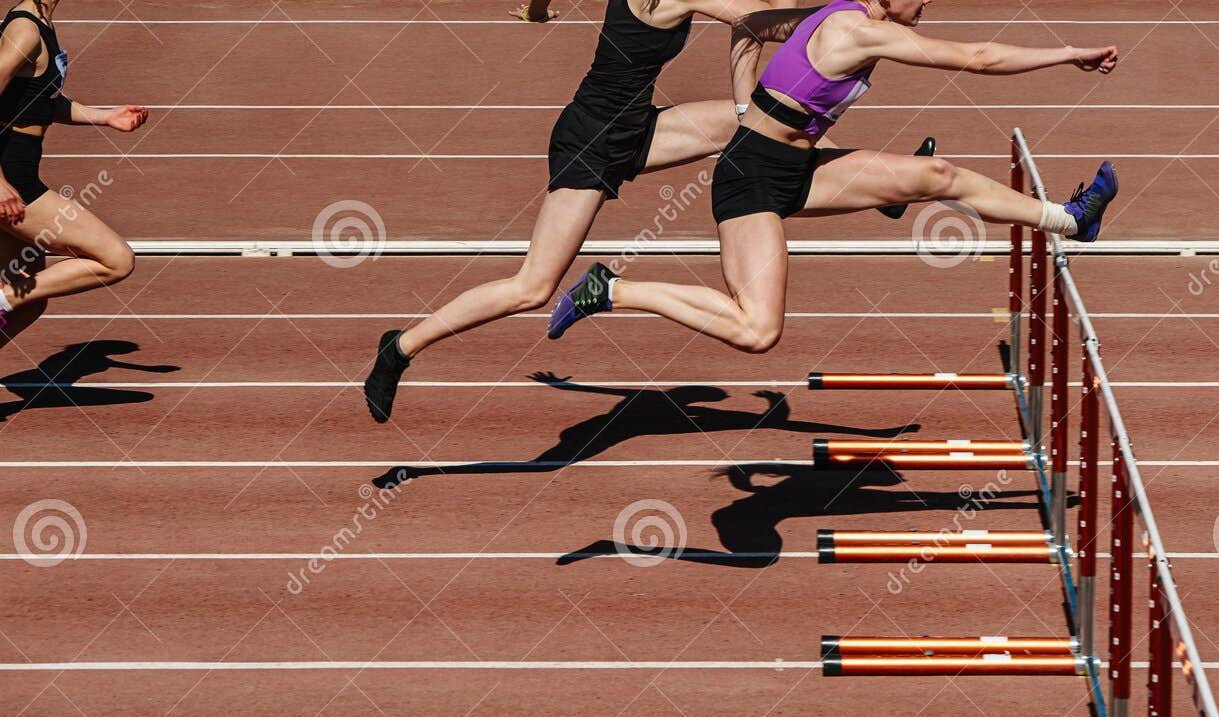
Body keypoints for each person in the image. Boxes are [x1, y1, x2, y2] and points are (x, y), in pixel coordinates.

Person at [362, 0, 932, 423]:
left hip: (637, 126)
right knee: (533, 287)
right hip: (591, 138)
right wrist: (849, 17)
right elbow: (763, 19)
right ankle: (401, 347)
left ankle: (884, 190)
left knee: (758, 123)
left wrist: (537, 10)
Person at [545, 0, 1119, 355]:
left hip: (793, 167)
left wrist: (747, 107)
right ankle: (611, 289)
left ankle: (1071, 219)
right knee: (757, 330)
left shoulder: (830, 12)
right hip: (751, 182)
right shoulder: (861, 31)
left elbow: (749, 24)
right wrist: (1069, 54)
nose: (929, 3)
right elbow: (980, 58)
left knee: (937, 175)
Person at [0, 0, 148, 349]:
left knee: (29, 298)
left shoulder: (41, 24)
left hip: (17, 174)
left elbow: (41, 100)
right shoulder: (25, 28)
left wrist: (106, 116)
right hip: (12, 180)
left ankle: (6, 298)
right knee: (115, 259)